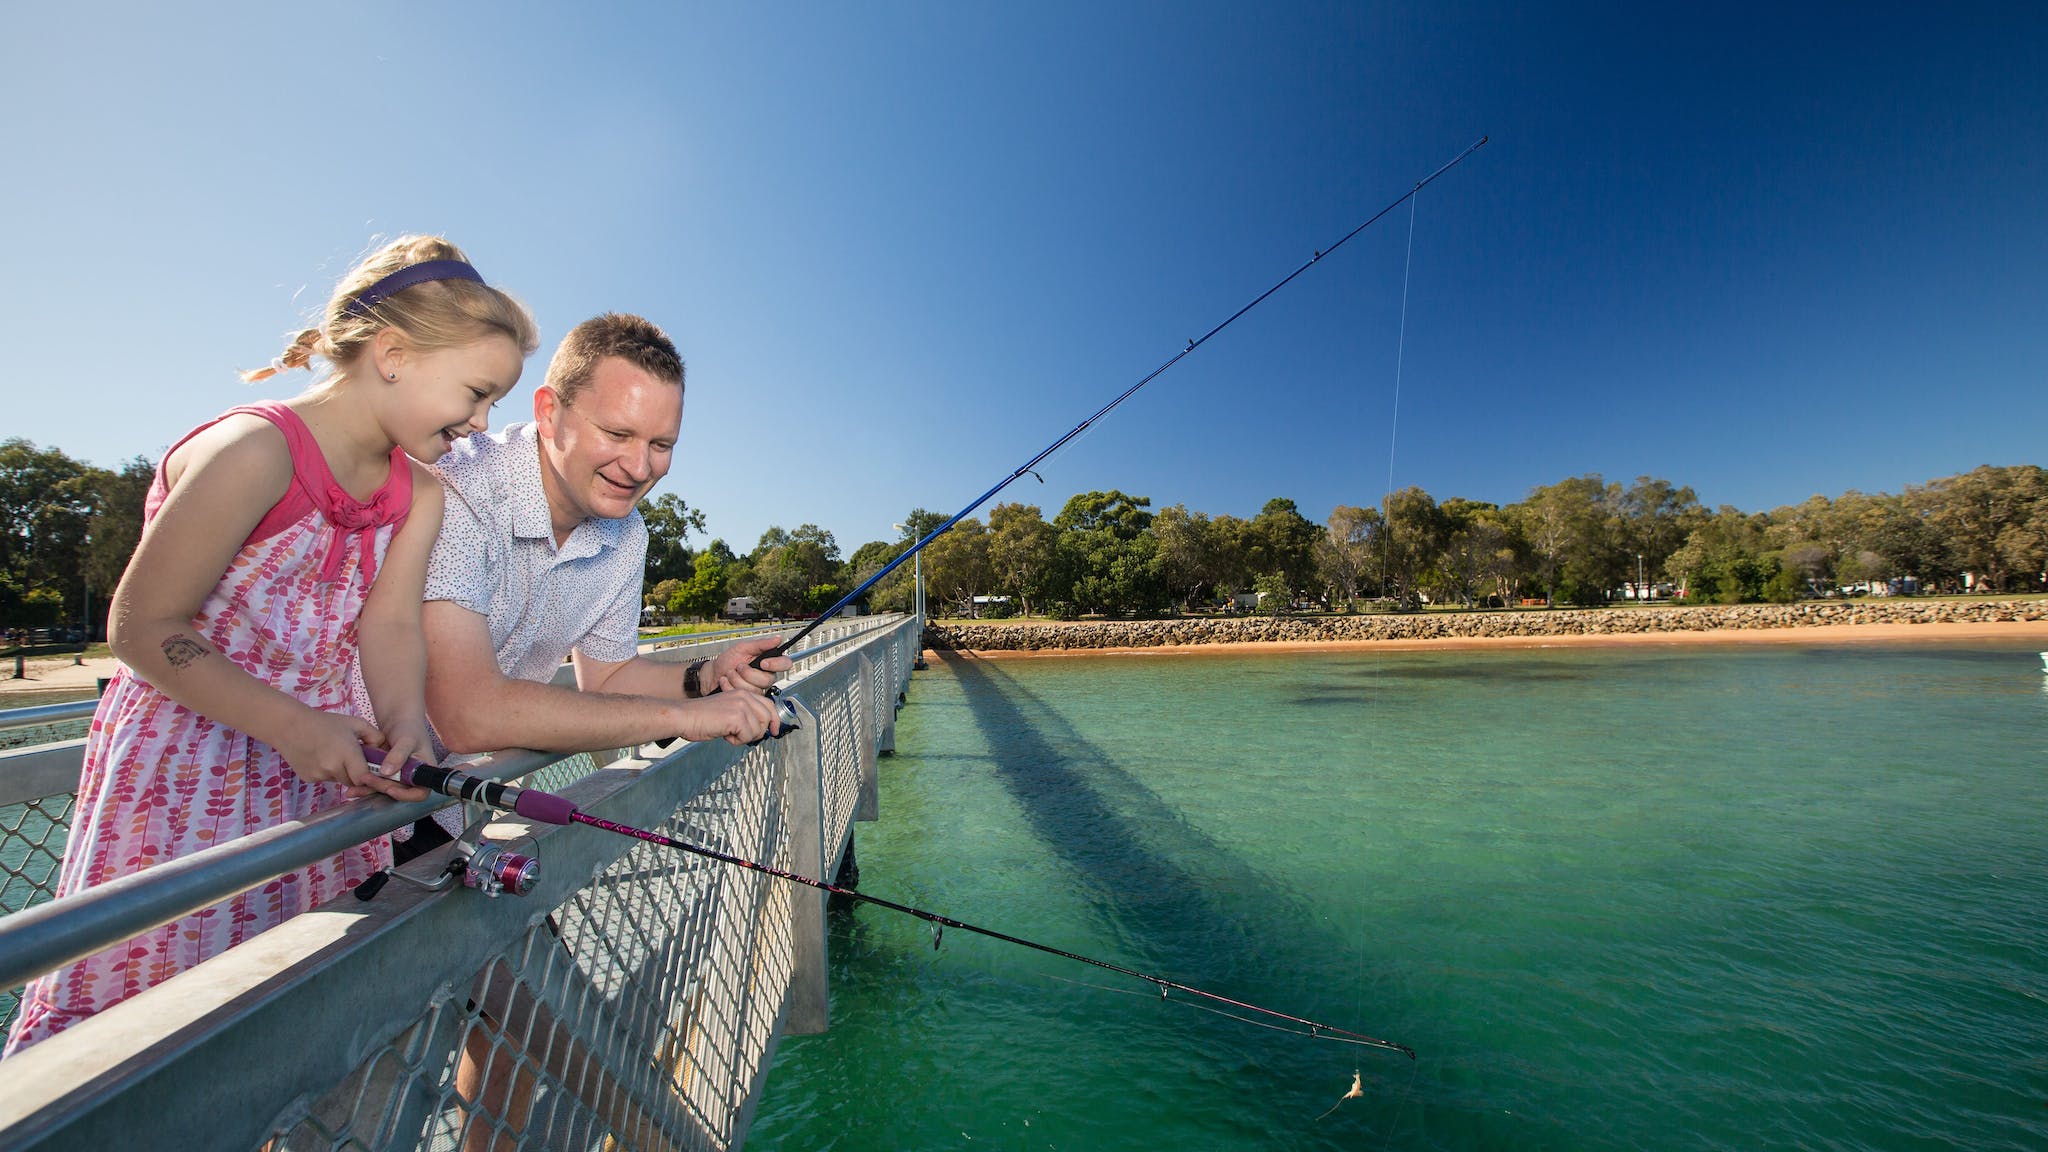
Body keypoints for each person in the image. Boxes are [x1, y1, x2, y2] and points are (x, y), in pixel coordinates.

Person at [2, 236, 538, 1056]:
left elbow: (385, 628)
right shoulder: (252, 450)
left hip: (312, 781)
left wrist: (405, 730)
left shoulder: (420, 493)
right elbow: (144, 628)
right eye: (476, 392)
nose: (479, 424)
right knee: (147, 1035)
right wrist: (295, 725)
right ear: (393, 355)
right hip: (184, 775)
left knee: (276, 1028)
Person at [393, 313, 789, 1152]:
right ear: (549, 413)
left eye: (662, 444)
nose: (640, 467)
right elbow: (468, 708)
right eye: (618, 432)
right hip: (349, 810)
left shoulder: (626, 532)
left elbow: (603, 680)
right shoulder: (460, 492)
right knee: (358, 1090)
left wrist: (702, 675)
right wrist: (689, 718)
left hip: (446, 817)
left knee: (514, 1042)